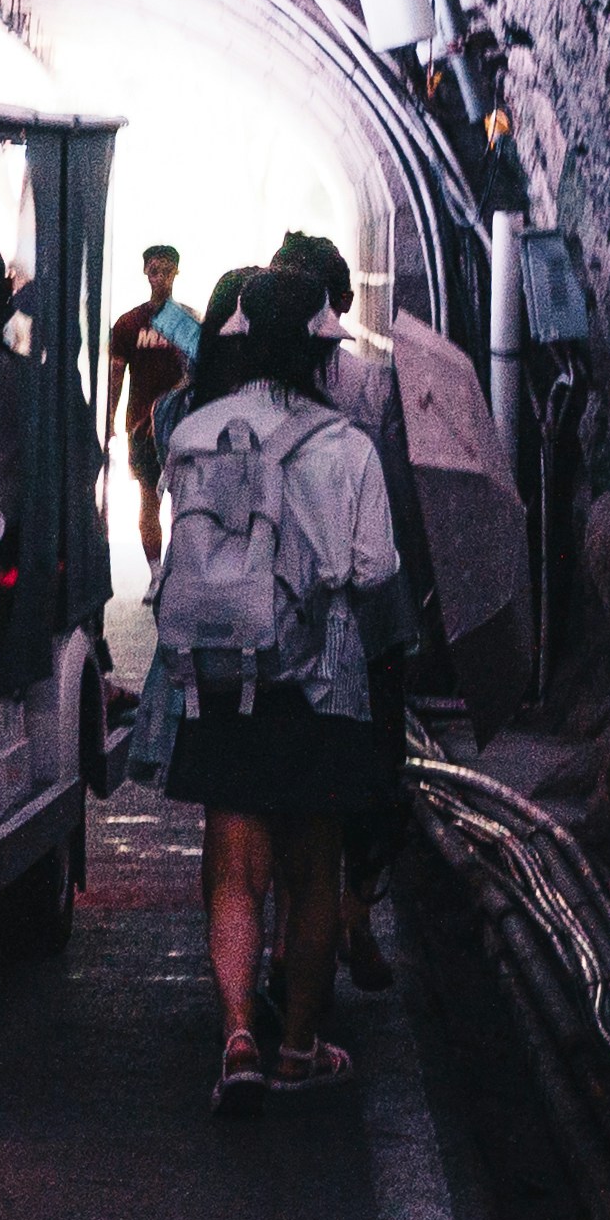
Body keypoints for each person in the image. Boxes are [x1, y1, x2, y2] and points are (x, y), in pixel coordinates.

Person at [149, 268, 412, 1117]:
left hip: (220, 679)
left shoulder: (194, 434)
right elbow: (376, 569)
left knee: (232, 868)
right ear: (317, 348)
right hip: (319, 686)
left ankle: (235, 1036)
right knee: (310, 872)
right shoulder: (347, 448)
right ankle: (297, 1049)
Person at [102, 245, 198, 566]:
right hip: (143, 426)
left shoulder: (187, 322)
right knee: (148, 498)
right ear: (146, 272)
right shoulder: (129, 324)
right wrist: (110, 420)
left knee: (184, 501)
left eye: (167, 271)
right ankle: (156, 571)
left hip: (182, 425)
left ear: (176, 273)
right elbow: (117, 374)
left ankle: (175, 568)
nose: (161, 278)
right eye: (155, 271)